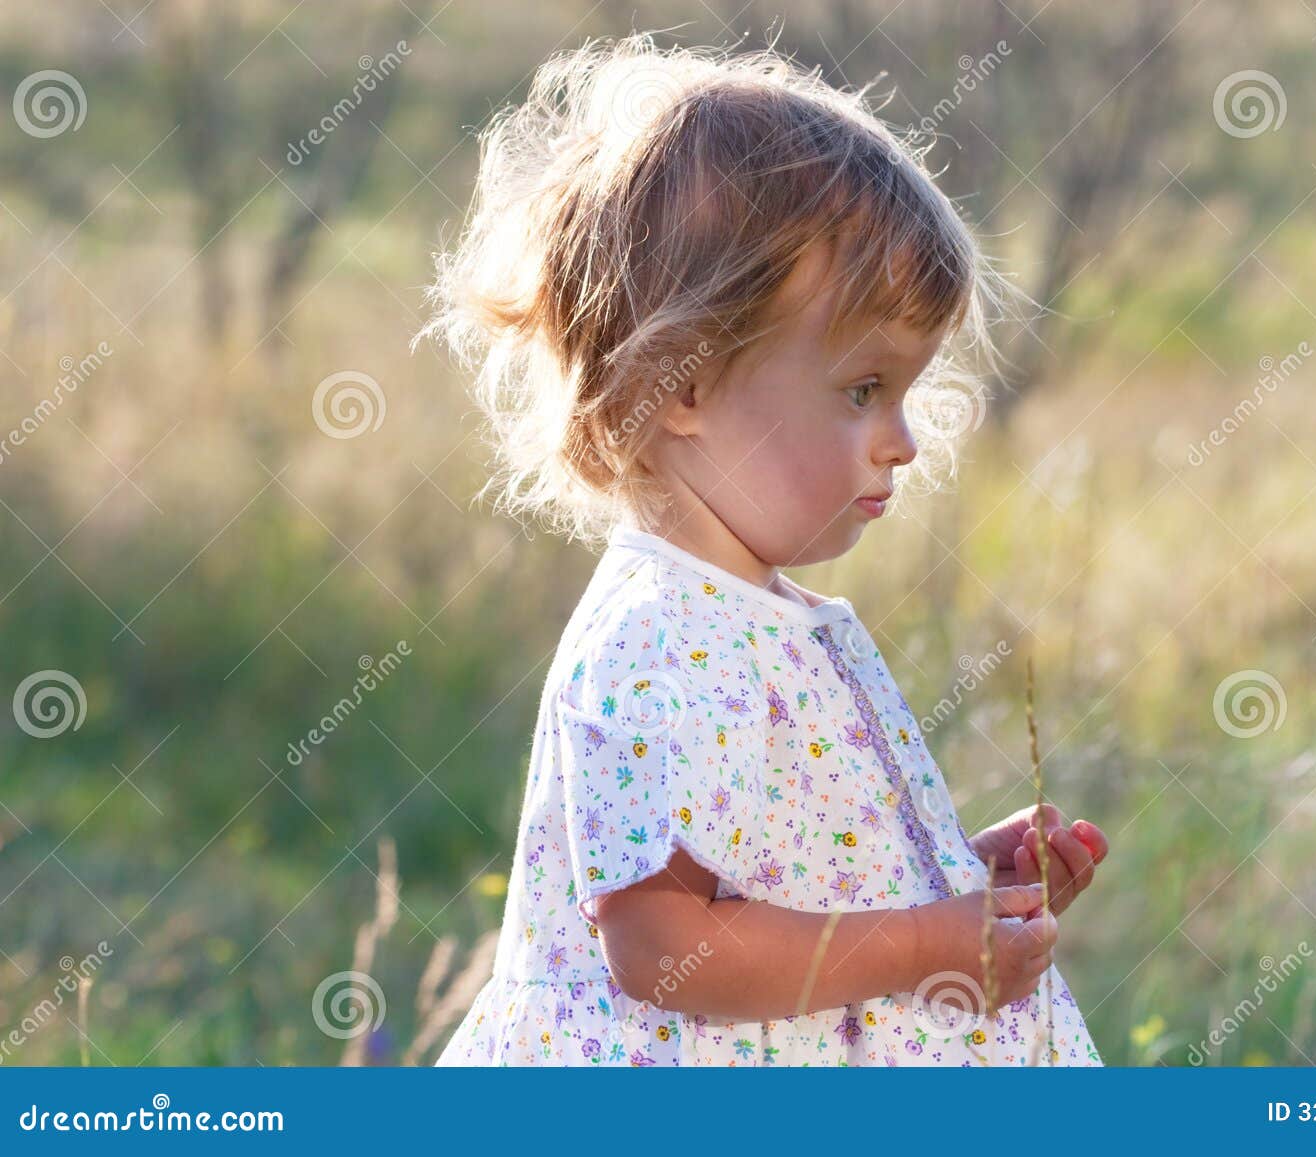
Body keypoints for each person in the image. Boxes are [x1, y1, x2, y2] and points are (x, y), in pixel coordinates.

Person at [419, 31, 1108, 1066]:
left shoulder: (752, 616)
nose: (904, 440)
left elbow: (790, 896)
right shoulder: (659, 637)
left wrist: (955, 885)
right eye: (861, 390)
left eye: (907, 392)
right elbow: (662, 945)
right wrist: (923, 942)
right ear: (685, 383)